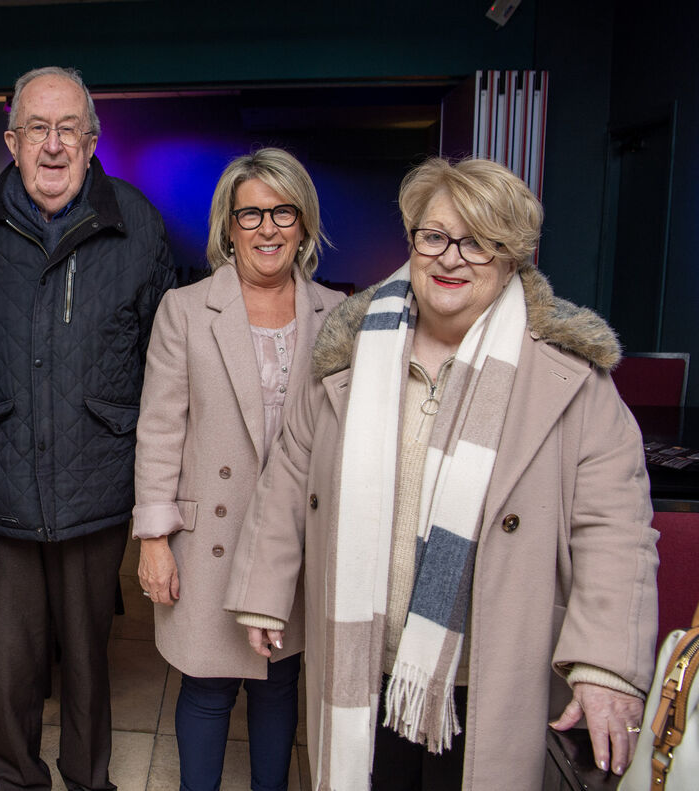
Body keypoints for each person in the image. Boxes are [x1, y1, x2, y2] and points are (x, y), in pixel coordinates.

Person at [226, 157, 659, 790]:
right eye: (434, 236)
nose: (451, 257)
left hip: (484, 676)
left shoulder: (568, 378)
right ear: (413, 242)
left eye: (478, 242)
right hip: (362, 663)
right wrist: (264, 589)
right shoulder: (349, 355)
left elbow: (615, 527)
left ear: (512, 256)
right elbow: (290, 475)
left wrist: (606, 666)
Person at [0, 65, 176, 791]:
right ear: (12, 142)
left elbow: (165, 364)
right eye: (37, 130)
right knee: (14, 661)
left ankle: (90, 779)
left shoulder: (137, 222)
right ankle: (17, 779)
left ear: (90, 142)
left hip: (97, 482)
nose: (52, 146)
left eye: (68, 130)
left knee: (89, 659)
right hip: (3, 485)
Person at [134, 148, 344, 789]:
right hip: (209, 540)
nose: (267, 228)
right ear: (228, 227)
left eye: (283, 212)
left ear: (303, 224)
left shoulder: (337, 316)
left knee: (280, 686)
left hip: (297, 541)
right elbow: (160, 430)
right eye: (250, 214)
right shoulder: (186, 310)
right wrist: (153, 540)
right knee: (207, 687)